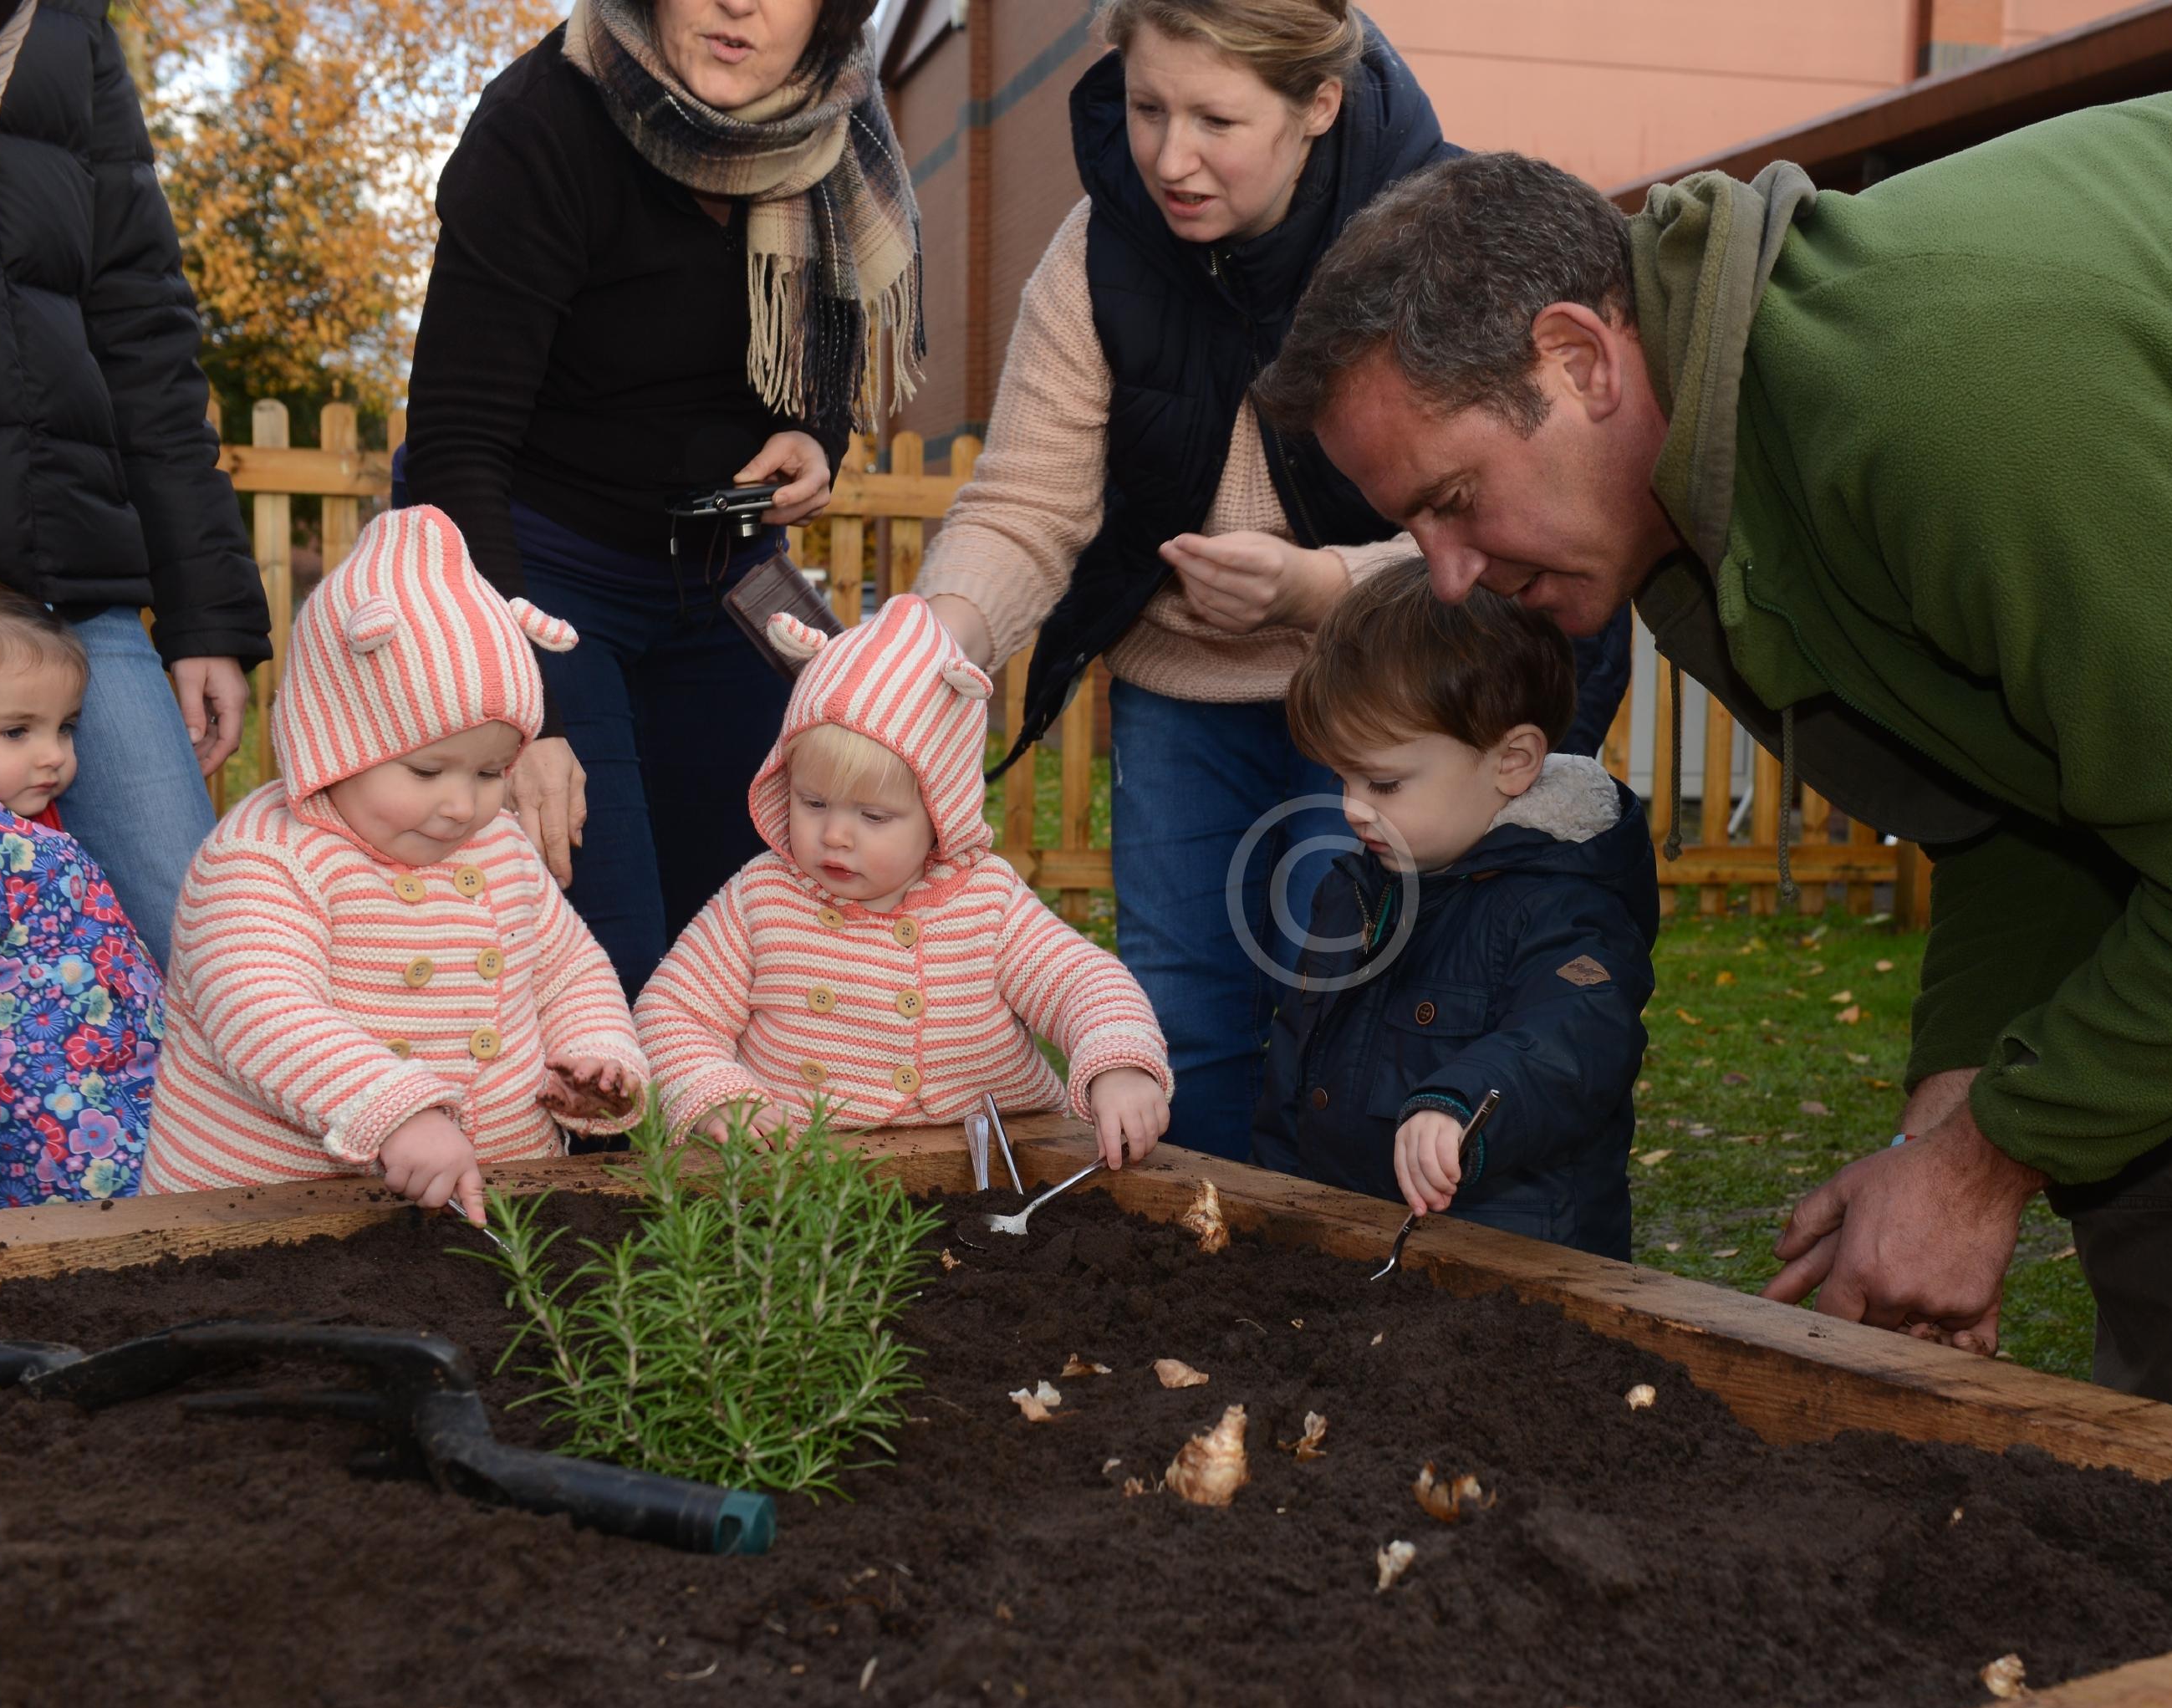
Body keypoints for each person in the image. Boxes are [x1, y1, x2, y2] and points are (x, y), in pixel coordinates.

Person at [1255, 82, 2172, 1491]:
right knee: (2156, 1114)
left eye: (1451, 499)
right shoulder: (1702, 505)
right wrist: (1951, 1119)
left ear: (1579, 359)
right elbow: (2026, 813)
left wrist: (1983, 1164)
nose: (1445, 576)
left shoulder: (1938, 404)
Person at [915, 0, 1618, 1163]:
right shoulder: (1096, 252)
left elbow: (1511, 518)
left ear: (1318, 104)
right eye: (1145, 108)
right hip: (1181, 694)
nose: (1168, 158)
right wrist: (931, 647)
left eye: (1215, 120)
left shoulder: (1440, 237)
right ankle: (1199, 1255)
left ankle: (1345, 1261)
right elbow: (1026, 502)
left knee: (1360, 1017)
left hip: (1392, 703)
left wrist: (1322, 587)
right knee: (1183, 1019)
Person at [400, 0, 923, 996]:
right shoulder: (542, 119)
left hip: (726, 582)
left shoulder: (838, 125)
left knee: (756, 952)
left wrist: (815, 437)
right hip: (545, 578)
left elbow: (828, 341)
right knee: (615, 964)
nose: (738, 4)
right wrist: (525, 711)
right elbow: (455, 446)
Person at [145, 509, 647, 1223]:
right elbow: (260, 1011)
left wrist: (595, 1053)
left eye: (490, 772)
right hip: (267, 1210)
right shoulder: (263, 858)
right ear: (336, 742)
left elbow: (569, 967)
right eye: (427, 770)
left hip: (502, 1191)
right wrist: (395, 1109)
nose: (461, 806)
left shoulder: (500, 848)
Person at [635, 595, 1174, 1165]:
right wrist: (720, 1098)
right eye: (813, 802)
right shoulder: (762, 899)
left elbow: (1081, 982)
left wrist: (1118, 1063)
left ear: (941, 814)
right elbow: (672, 1012)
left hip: (996, 1162)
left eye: (874, 817)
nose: (835, 835)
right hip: (803, 1170)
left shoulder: (984, 903)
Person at [0, 0, 271, 961]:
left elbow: (141, 328)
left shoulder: (65, 24)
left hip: (62, 576)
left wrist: (204, 610)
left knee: (206, 955)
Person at [1252, 560, 1654, 1258]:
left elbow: (1576, 1039)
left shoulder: (1564, 903)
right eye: (1342, 777)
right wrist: (1276, 1201)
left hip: (1515, 1268)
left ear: (1512, 760)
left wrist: (1462, 1102)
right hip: (1351, 1247)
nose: (1353, 809)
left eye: (1384, 783)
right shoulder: (1352, 890)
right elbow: (1294, 1067)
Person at [0, 580, 163, 1208]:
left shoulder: (15, 830)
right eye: (16, 731)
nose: (54, 755)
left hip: (104, 1105)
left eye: (66, 728)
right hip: (51, 1136)